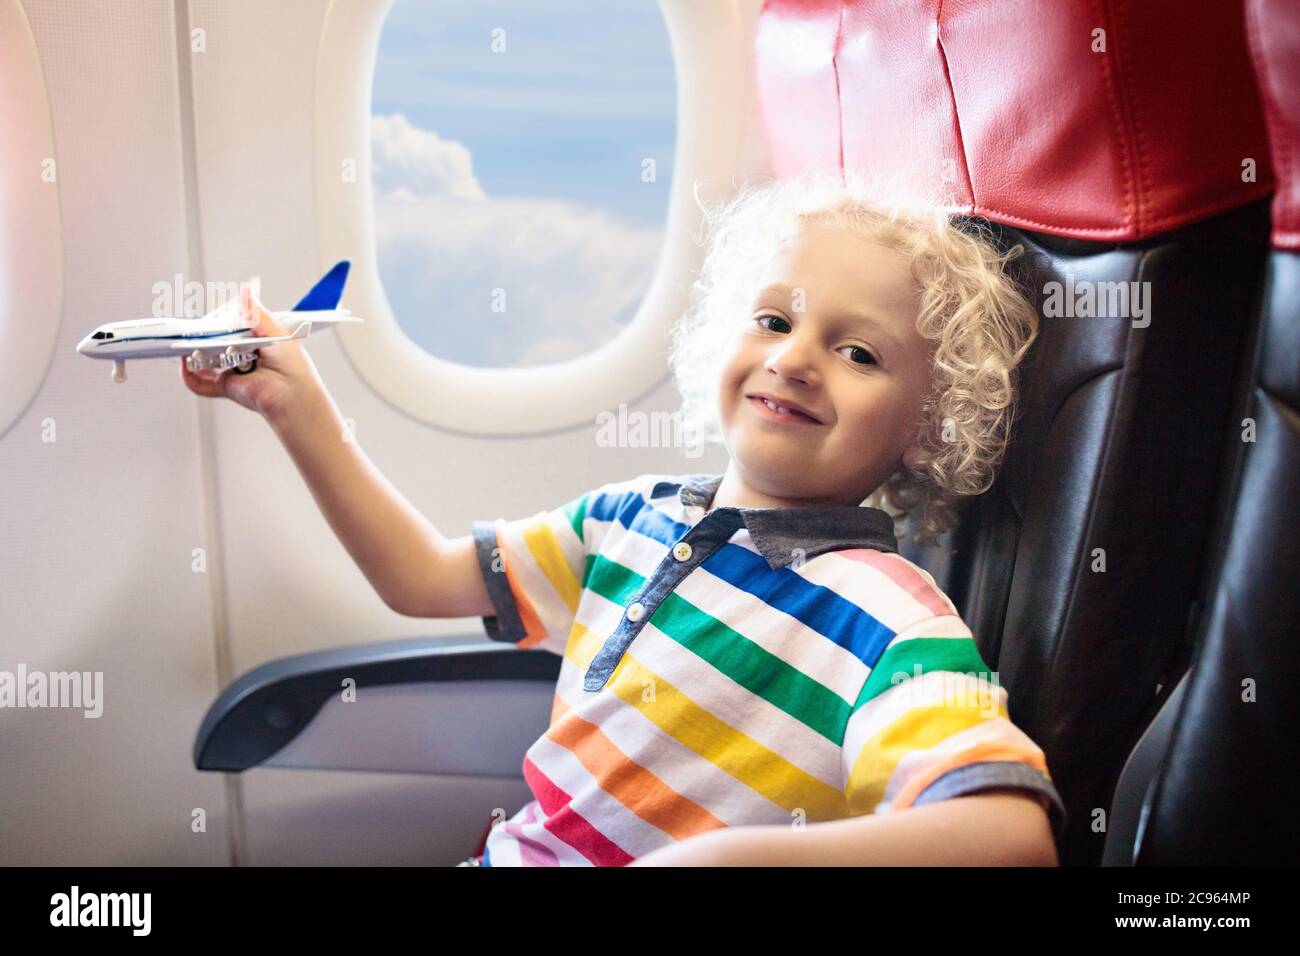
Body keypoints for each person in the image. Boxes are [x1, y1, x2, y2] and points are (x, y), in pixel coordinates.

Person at [182, 168, 1063, 866]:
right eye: (772, 318)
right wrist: (293, 404)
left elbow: (1009, 839)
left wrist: (728, 864)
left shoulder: (889, 619)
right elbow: (419, 577)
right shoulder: (629, 520)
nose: (794, 359)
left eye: (859, 351)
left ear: (929, 424)